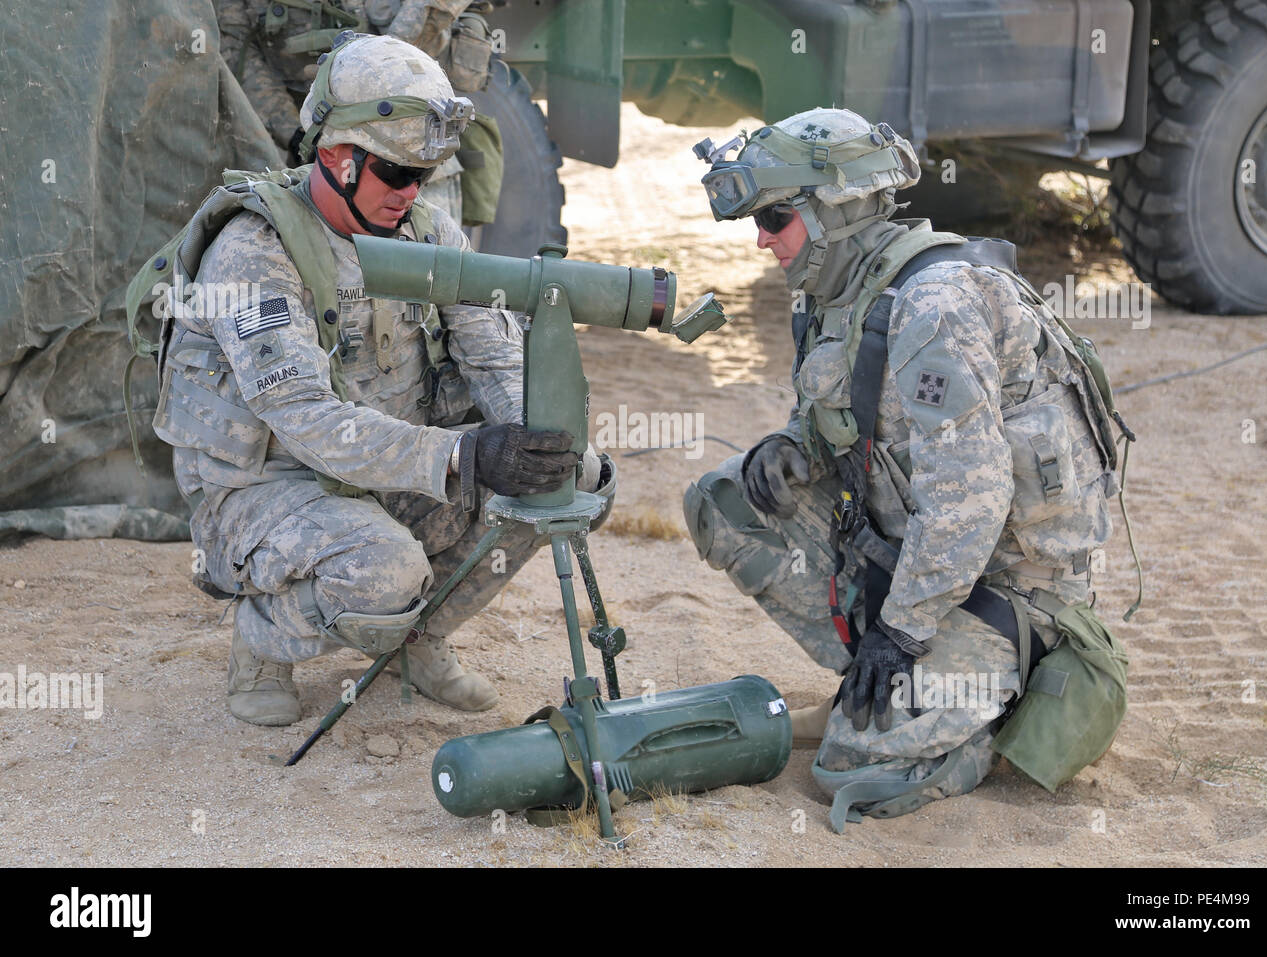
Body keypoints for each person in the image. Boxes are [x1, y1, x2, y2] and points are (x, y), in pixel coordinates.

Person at [151, 32, 611, 726]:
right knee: (385, 570)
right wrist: (462, 455)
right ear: (337, 159)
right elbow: (304, 418)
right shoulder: (255, 251)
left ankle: (418, 643)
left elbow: (494, 357)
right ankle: (262, 636)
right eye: (397, 173)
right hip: (270, 492)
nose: (412, 192)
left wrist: (532, 440)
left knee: (571, 479)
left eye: (422, 176)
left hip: (386, 472)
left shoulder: (428, 233)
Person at [683, 108, 1120, 824]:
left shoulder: (935, 306)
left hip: (1008, 588)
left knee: (850, 767)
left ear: (838, 211)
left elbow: (971, 499)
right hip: (926, 553)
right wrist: (794, 447)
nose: (762, 240)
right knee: (725, 501)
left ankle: (985, 718)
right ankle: (885, 679)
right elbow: (850, 410)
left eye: (778, 219)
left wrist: (904, 629)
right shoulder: (843, 291)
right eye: (757, 223)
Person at [216, 0, 495, 223]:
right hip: (305, 146)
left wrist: (371, 61)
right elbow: (237, 46)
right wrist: (300, 132)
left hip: (415, 145)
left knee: (425, 267)